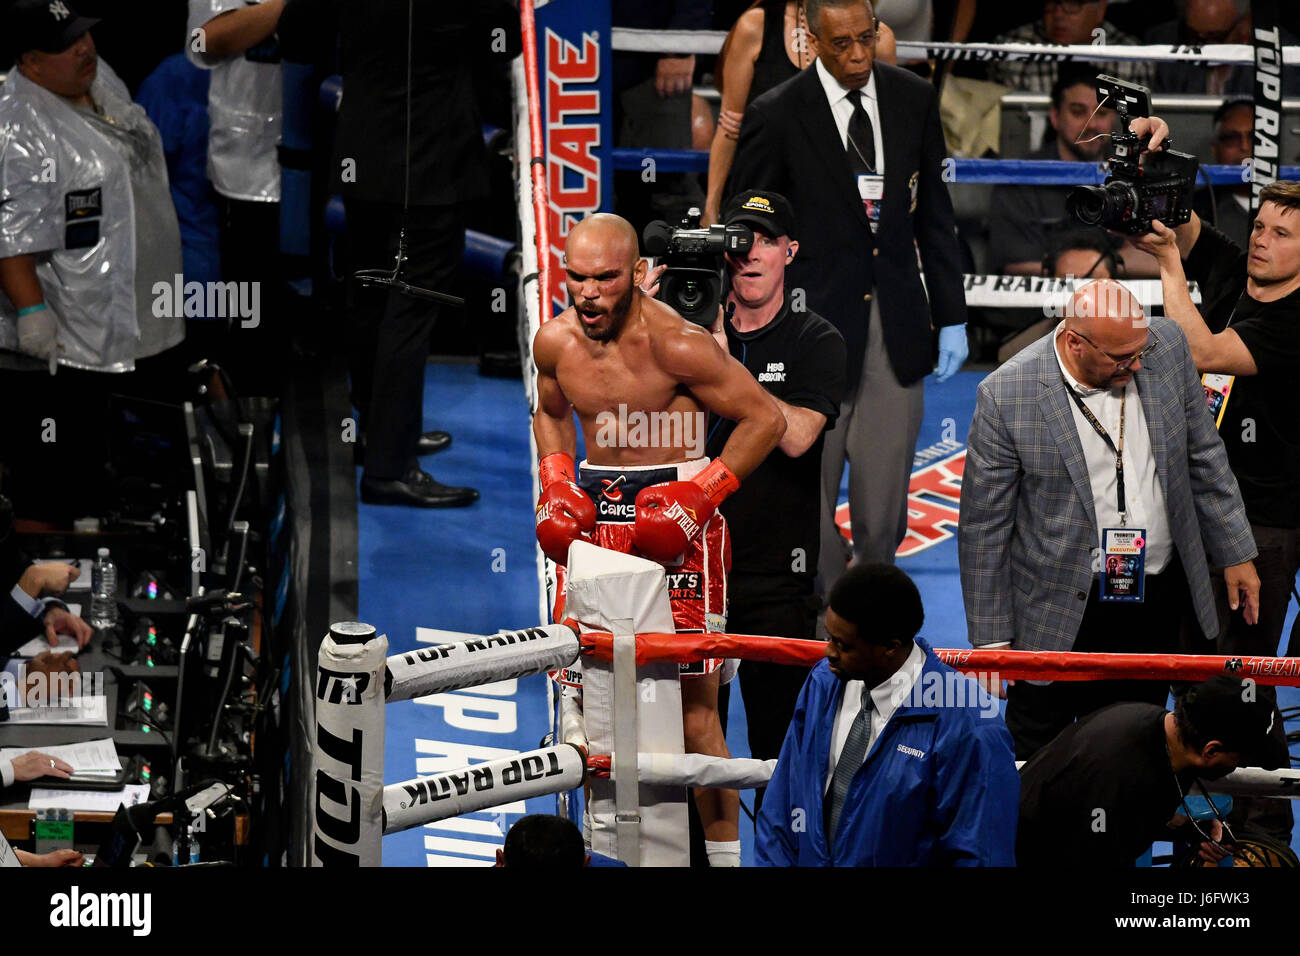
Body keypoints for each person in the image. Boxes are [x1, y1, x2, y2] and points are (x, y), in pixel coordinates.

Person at [532, 212, 786, 867]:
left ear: (638, 275)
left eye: (605, 278)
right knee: (586, 695)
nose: (588, 292)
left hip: (681, 522)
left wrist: (702, 493)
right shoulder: (554, 342)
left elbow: (764, 418)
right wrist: (558, 480)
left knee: (696, 707)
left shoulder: (680, 344)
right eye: (577, 278)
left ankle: (726, 863)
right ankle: (601, 848)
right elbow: (552, 414)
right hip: (596, 522)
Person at [959, 273, 1260, 761]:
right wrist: (992, 643)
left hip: (1154, 596)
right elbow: (983, 526)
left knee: (1135, 751)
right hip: (1054, 607)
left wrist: (1237, 551)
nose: (1138, 364)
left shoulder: (1167, 346)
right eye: (1122, 358)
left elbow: (1204, 453)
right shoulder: (1007, 393)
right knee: (1040, 761)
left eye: (1139, 351)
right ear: (1074, 342)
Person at [726, 0, 969, 592]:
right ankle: (825, 624)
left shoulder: (912, 97)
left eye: (867, 38)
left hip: (896, 324)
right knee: (805, 509)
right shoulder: (777, 113)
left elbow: (936, 215)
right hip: (806, 334)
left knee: (883, 514)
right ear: (810, 36)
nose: (858, 55)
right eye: (842, 44)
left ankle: (870, 633)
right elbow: (746, 223)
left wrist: (952, 314)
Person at [1130, 170, 1300, 844]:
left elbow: (1200, 349)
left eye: (1283, 234)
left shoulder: (1295, 319)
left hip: (1265, 525)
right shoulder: (1241, 272)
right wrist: (1155, 162)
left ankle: (1265, 831)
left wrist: (1167, 263)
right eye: (1260, 225)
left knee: (1246, 680)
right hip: (1199, 503)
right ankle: (1200, 817)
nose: (1261, 239)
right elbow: (1187, 229)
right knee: (1190, 663)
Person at [328, 2, 517, 507]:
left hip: (364, 152)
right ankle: (389, 466)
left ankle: (377, 435)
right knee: (407, 310)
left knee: (370, 297)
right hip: (430, 158)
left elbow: (300, 32)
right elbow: (504, 39)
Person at [704, 190, 845, 788]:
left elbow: (797, 437)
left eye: (765, 239)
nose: (751, 254)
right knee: (693, 748)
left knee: (778, 755)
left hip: (776, 578)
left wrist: (720, 369)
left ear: (790, 250)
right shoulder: (682, 336)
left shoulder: (818, 341)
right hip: (689, 568)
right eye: (739, 241)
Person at [755, 563, 1019, 866]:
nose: (829, 652)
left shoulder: (970, 726)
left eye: (843, 645)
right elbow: (781, 808)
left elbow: (981, 854)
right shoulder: (823, 682)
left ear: (890, 647)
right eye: (829, 637)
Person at [1017, 676, 1277, 867]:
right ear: (1210, 751)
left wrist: (1191, 829)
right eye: (1241, 757)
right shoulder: (1117, 778)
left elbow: (1139, 810)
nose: (1240, 766)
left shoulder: (1169, 734)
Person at [703, 0, 897, 226]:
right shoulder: (756, 25)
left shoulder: (878, 39)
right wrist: (710, 208)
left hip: (838, 197)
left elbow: (884, 134)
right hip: (764, 192)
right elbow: (730, 127)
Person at [995, 233, 1122, 364]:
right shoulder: (1017, 354)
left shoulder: (1140, 348)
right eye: (1067, 281)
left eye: (1091, 280)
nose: (1080, 293)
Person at [988, 0, 1154, 94]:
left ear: (1100, 10)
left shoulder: (1132, 58)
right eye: (1052, 4)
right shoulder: (1013, 50)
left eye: (1072, 4)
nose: (1058, 15)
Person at [1192, 97, 1255, 249]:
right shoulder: (1195, 209)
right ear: (1215, 148)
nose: (1245, 146)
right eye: (1231, 139)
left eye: (1254, 138)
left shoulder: (1290, 205)